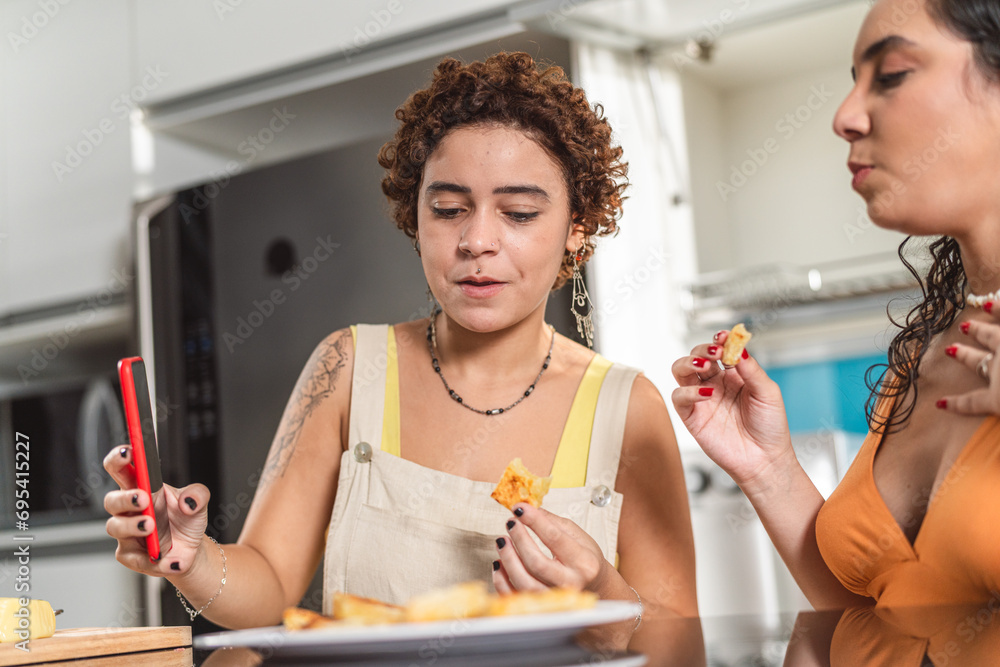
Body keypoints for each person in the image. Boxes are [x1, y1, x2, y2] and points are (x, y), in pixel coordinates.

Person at [103, 52, 698, 644]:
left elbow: (685, 645)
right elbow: (269, 584)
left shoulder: (627, 408)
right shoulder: (348, 367)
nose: (476, 240)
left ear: (576, 227)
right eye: (448, 209)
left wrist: (604, 599)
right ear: (415, 218)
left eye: (518, 213)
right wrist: (193, 555)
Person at [673, 0, 1000, 611]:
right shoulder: (925, 351)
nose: (845, 117)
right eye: (854, 84)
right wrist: (766, 468)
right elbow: (880, 616)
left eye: (893, 75)